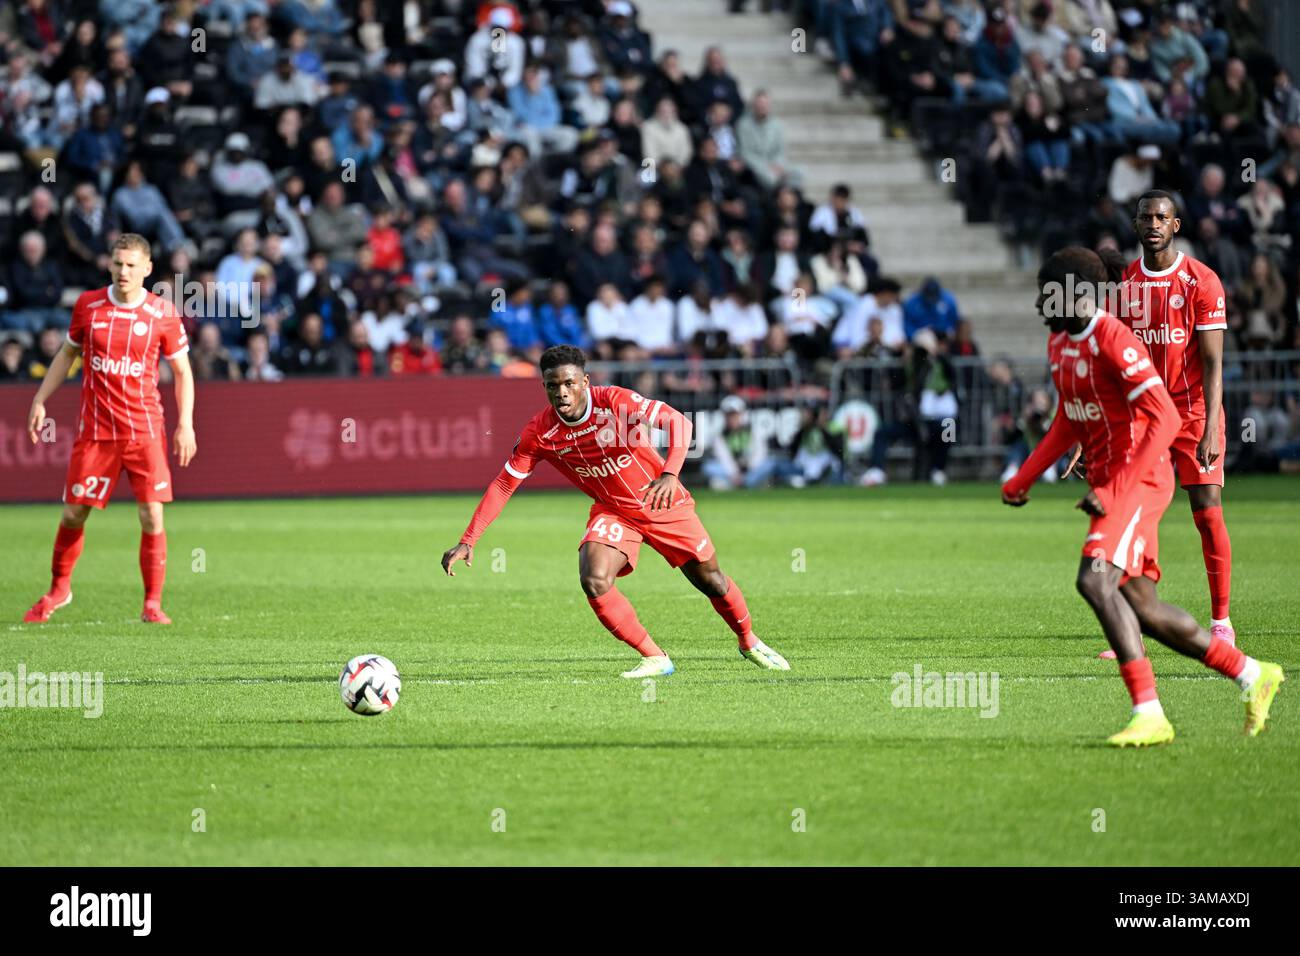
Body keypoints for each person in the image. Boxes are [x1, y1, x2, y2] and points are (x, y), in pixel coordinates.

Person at [1001, 246, 1282, 746]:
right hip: (1114, 482)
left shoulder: (1112, 338)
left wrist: (1114, 488)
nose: (1039, 303)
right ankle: (1250, 674)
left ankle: (1149, 712)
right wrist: (1025, 476)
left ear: (1076, 295)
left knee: (1094, 580)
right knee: (1143, 608)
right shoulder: (1059, 345)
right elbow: (1069, 417)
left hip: (1140, 480)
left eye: (1047, 293)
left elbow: (1166, 418)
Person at [441, 345, 791, 678]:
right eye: (552, 386)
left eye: (568, 383)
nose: (561, 392)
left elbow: (679, 423)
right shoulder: (540, 433)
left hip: (660, 501)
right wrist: (469, 539)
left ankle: (749, 641)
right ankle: (655, 657)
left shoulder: (615, 401)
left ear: (584, 383)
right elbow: (504, 484)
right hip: (614, 511)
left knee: (711, 581)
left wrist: (670, 473)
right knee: (593, 579)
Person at [22, 234, 196, 625]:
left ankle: (152, 603)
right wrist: (39, 399)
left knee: (152, 516)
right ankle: (59, 589)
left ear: (148, 269)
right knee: (73, 514)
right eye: (118, 264)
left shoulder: (163, 313)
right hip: (96, 433)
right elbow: (67, 353)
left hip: (144, 431)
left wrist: (185, 423)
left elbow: (183, 371)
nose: (124, 272)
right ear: (110, 265)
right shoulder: (89, 306)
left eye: (132, 265)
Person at [1104, 192, 1238, 657]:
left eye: (1162, 217)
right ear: (1137, 225)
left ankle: (1221, 623)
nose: (1154, 224)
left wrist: (1211, 429)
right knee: (1138, 513)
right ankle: (1139, 622)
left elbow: (1214, 362)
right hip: (1146, 415)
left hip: (1195, 410)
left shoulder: (1202, 281)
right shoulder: (1123, 284)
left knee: (1206, 508)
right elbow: (1115, 361)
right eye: (1146, 217)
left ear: (1176, 225)